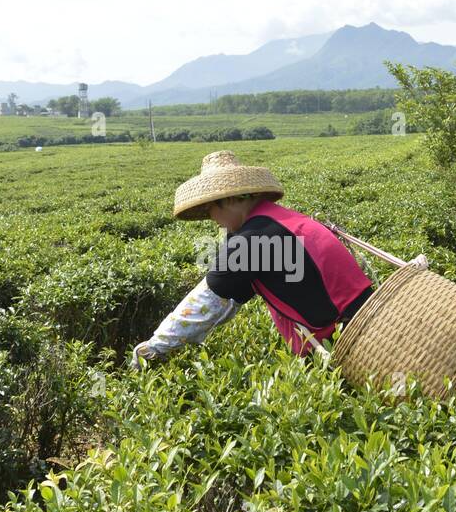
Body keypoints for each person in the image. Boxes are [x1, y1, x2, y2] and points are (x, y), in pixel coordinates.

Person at [131, 150, 380, 369]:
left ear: (228, 199)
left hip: (346, 343)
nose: (213, 219)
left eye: (211, 210)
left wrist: (152, 349)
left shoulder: (253, 240)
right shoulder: (282, 220)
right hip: (374, 323)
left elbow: (203, 305)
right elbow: (231, 298)